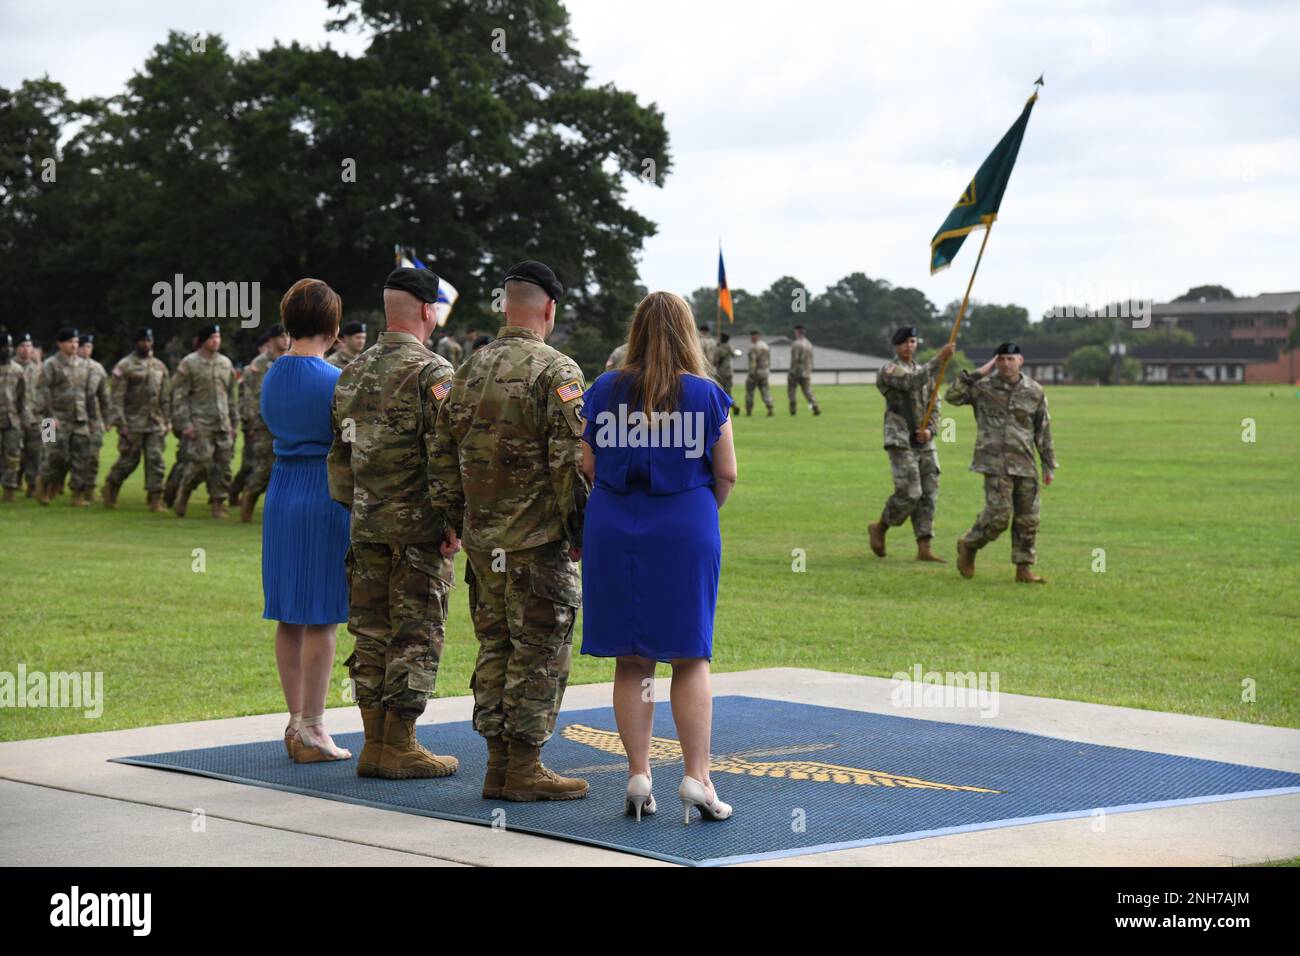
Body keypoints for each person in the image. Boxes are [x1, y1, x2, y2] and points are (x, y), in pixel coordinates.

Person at [429, 259, 588, 802]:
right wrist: (579, 529)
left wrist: (455, 521)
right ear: (548, 307)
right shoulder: (557, 371)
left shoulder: (466, 368)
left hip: (483, 543)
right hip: (537, 542)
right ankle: (524, 767)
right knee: (541, 651)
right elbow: (569, 464)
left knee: (495, 646)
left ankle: (499, 766)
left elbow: (442, 455)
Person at [579, 291, 738, 824]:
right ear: (688, 333)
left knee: (633, 657)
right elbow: (727, 472)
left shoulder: (604, 387)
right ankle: (698, 777)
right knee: (690, 656)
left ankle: (638, 774)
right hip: (684, 523)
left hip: (614, 525)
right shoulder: (706, 393)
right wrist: (692, 511)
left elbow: (587, 462)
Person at [329, 268, 459, 779]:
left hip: (366, 527)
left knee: (370, 633)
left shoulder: (351, 371)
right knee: (416, 633)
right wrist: (454, 520)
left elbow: (338, 458)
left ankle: (375, 743)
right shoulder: (433, 372)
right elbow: (446, 455)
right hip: (418, 532)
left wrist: (360, 506)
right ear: (428, 311)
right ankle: (399, 744)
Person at [262, 279, 353, 762]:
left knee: (290, 614)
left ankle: (296, 720)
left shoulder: (272, 373)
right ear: (333, 326)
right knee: (323, 613)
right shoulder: (336, 380)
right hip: (323, 493)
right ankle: (315, 726)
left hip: (281, 491)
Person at [945, 342, 1058, 583]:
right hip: (994, 462)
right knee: (999, 516)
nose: (1006, 364)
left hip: (1025, 462)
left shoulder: (1035, 391)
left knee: (1028, 519)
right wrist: (978, 372)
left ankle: (1024, 568)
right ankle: (969, 544)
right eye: (1001, 359)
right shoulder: (983, 388)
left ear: (1021, 361)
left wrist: (1048, 463)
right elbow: (952, 396)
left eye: (1010, 359)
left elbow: (1043, 429)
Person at [869, 327, 955, 562]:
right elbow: (910, 383)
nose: (909, 346)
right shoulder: (889, 370)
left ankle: (924, 548)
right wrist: (939, 358)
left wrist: (931, 430)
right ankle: (880, 527)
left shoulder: (924, 371)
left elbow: (935, 404)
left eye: (913, 341)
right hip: (899, 437)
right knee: (909, 492)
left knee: (928, 493)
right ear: (896, 346)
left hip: (923, 440)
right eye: (904, 342)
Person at [171, 324, 239, 518]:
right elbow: (179, 396)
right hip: (199, 421)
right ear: (203, 340)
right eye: (212, 337)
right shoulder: (189, 363)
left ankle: (218, 503)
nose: (216, 341)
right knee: (201, 461)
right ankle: (183, 493)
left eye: (218, 337)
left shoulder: (226, 363)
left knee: (223, 464)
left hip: (222, 421)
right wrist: (185, 423)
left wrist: (234, 423)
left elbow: (230, 395)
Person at [103, 327, 170, 511]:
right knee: (129, 461)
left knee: (156, 459)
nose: (146, 344)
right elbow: (116, 397)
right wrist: (120, 423)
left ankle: (155, 497)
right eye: (142, 341)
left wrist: (167, 420)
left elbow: (164, 396)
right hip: (132, 422)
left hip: (154, 421)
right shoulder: (125, 366)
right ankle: (110, 487)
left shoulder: (159, 366)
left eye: (149, 341)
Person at [35, 328, 96, 507]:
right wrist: (49, 416)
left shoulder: (84, 365)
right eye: (70, 341)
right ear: (60, 344)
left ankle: (77, 494)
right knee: (55, 457)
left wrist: (93, 418)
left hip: (79, 418)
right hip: (51, 420)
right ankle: (43, 481)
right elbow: (42, 391)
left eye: (76, 342)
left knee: (82, 458)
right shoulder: (50, 364)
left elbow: (89, 394)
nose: (74, 345)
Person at [235, 324, 289, 522]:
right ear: (272, 339)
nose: (285, 340)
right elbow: (251, 397)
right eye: (281, 336)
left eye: (287, 336)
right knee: (263, 468)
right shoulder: (259, 364)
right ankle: (247, 504)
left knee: (285, 469)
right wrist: (251, 425)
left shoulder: (291, 360)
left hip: (287, 425)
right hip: (263, 425)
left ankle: (278, 514)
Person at [78, 334, 111, 501]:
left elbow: (104, 396)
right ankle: (48, 483)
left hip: (92, 419)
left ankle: (88, 489)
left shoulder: (98, 369)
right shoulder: (54, 366)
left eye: (89, 346)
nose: (86, 350)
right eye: (82, 346)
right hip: (56, 419)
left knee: (93, 456)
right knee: (54, 454)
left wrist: (107, 419)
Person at [15, 333, 42, 497]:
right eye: (23, 346)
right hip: (16, 419)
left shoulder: (42, 369)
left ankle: (35, 485)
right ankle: (14, 481)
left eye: (29, 346)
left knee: (42, 452)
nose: (26, 349)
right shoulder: (9, 368)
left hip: (42, 418)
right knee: (16, 453)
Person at [0, 334, 26, 502]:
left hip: (13, 420)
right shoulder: (51, 366)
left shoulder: (17, 370)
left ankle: (11, 490)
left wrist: (24, 419)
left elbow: (22, 397)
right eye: (4, 346)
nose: (8, 350)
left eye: (10, 346)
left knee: (13, 455)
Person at [787, 325, 821, 416]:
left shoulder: (796, 344)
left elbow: (795, 359)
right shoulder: (809, 344)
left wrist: (791, 371)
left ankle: (793, 410)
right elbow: (811, 358)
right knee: (807, 390)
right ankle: (815, 406)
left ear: (797, 332)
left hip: (797, 371)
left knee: (792, 391)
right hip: (807, 371)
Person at [745, 330, 774, 416]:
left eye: (752, 336)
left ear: (755, 336)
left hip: (755, 373)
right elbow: (768, 359)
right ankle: (770, 406)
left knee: (750, 392)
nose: (751, 338)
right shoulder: (765, 346)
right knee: (765, 391)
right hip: (764, 372)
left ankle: (749, 410)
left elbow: (752, 362)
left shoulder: (753, 347)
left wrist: (751, 373)